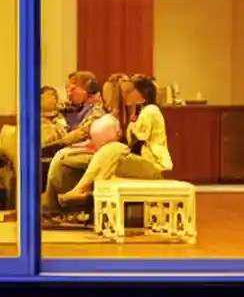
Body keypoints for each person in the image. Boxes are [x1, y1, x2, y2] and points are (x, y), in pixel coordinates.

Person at [58, 74, 173, 203]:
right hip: (142, 161)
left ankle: (83, 189)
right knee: (109, 152)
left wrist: (127, 121)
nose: (126, 94)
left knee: (113, 149)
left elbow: (138, 139)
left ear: (141, 92)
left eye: (130, 91)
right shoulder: (139, 111)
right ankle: (85, 191)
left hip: (155, 165)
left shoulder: (150, 110)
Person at [41, 71, 106, 218]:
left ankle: (48, 209)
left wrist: (56, 143)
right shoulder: (71, 108)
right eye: (67, 89)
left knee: (45, 159)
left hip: (85, 150)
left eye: (73, 88)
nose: (68, 93)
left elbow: (82, 133)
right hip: (64, 147)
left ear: (88, 89)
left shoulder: (96, 110)